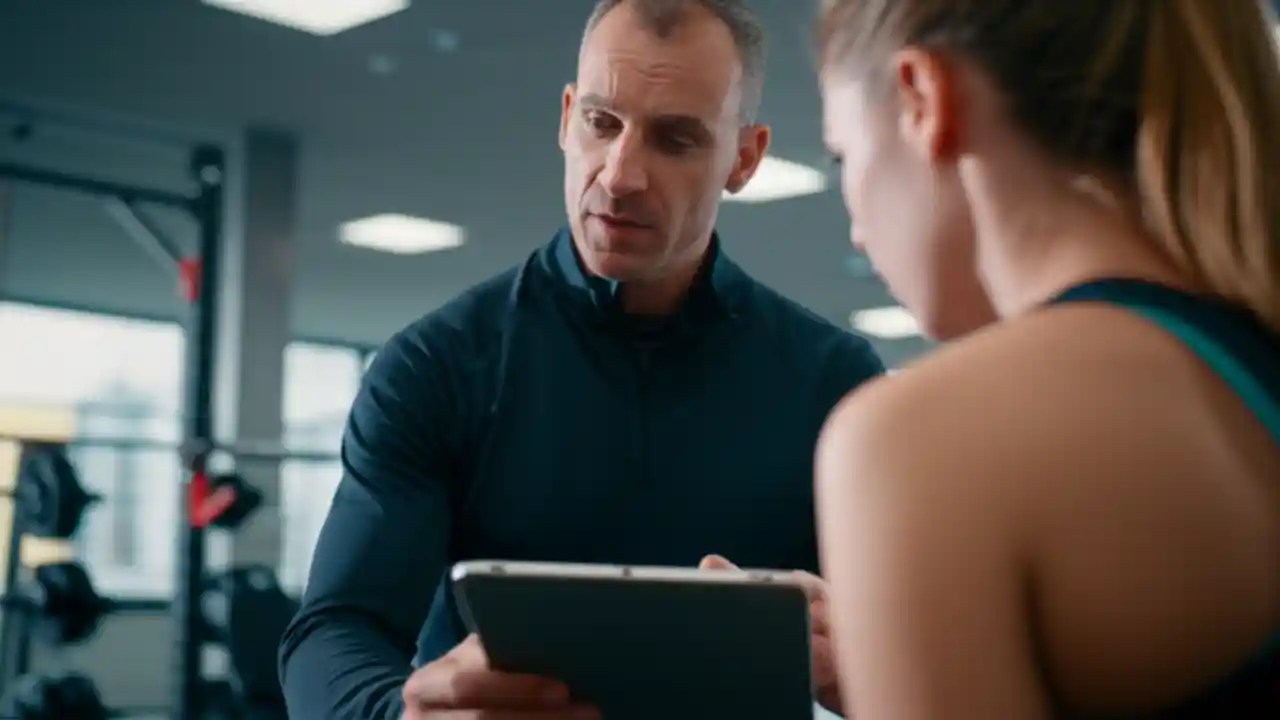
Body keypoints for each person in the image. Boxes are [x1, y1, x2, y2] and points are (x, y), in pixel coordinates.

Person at [277, 1, 884, 718]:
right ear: (568, 118)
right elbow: (335, 630)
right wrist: (400, 715)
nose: (621, 174)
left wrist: (875, 673)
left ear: (743, 159)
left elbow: (917, 658)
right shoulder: (436, 365)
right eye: (602, 122)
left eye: (677, 138)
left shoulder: (835, 386)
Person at [810, 0, 1280, 718]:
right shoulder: (1246, 370)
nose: (856, 227)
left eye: (842, 153)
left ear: (922, 99)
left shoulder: (924, 443)